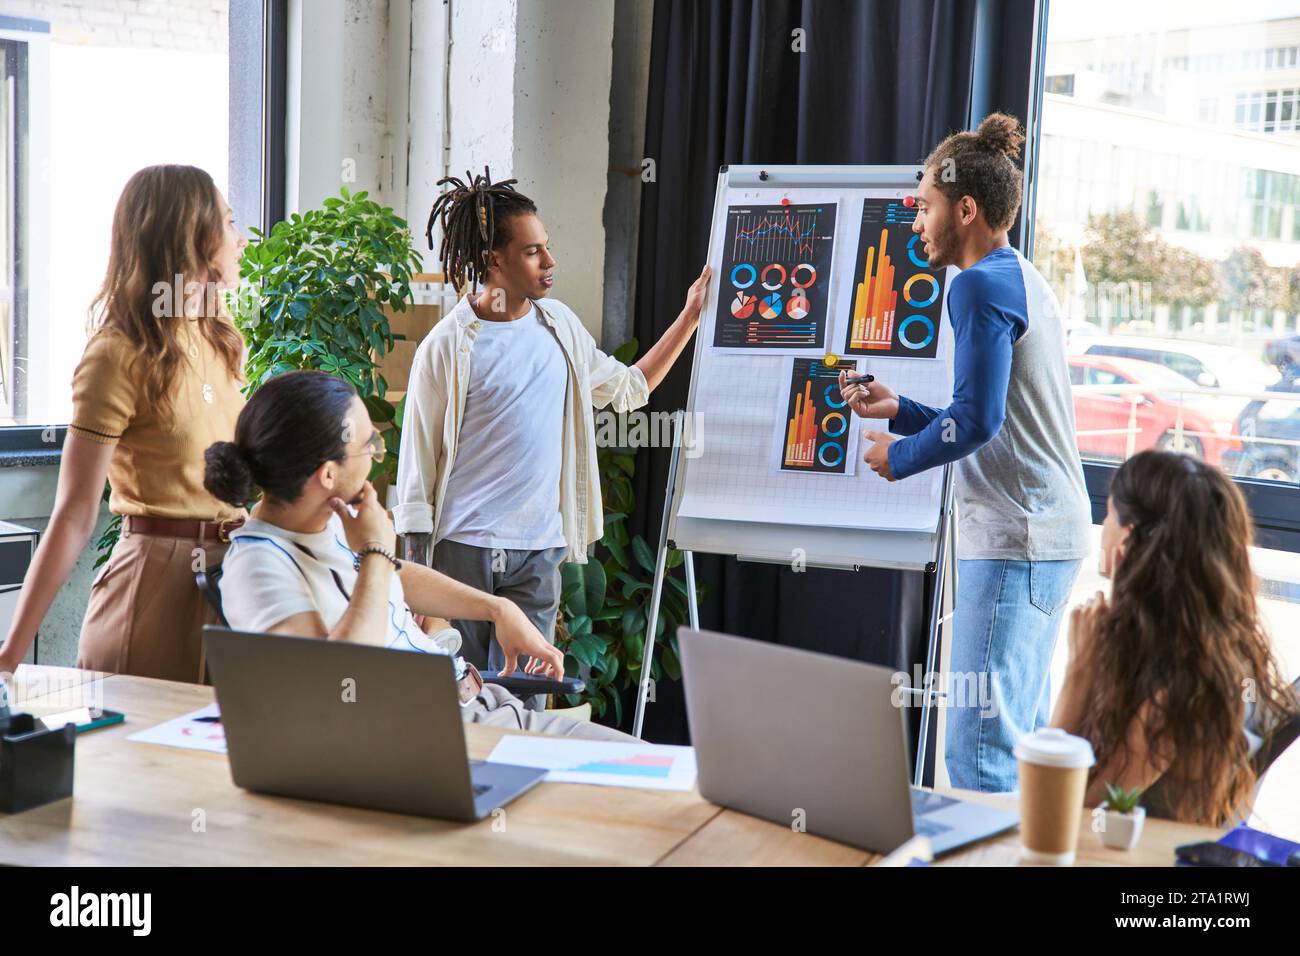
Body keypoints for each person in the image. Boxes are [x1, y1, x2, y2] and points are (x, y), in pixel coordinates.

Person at [840, 114, 1091, 792]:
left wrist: (900, 457)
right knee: (1015, 739)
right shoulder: (1017, 275)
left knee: (980, 753)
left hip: (1016, 540)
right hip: (1045, 534)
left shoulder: (976, 285)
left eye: (924, 206)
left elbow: (976, 422)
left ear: (966, 208)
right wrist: (902, 410)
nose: (915, 220)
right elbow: (991, 417)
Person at [395, 169, 708, 707]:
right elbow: (415, 475)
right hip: (462, 552)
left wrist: (691, 315)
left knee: (528, 706)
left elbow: (630, 388)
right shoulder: (447, 347)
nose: (550, 262)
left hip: (539, 549)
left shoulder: (559, 327)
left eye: (548, 248)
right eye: (534, 251)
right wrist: (418, 577)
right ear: (495, 260)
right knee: (458, 705)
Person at [205, 370, 637, 742]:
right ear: (328, 474)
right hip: (430, 735)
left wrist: (497, 608)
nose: (377, 450)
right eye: (368, 442)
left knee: (653, 767)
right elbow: (335, 679)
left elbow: (396, 578)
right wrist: (375, 548)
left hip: (478, 703)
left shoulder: (329, 520)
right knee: (647, 784)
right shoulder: (258, 566)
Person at [0, 165, 248, 682]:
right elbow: (72, 514)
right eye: (227, 222)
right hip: (153, 589)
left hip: (234, 583)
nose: (239, 238)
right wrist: (9, 656)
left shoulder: (218, 337)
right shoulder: (118, 353)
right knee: (143, 762)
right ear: (194, 236)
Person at [1052, 450, 1299, 825]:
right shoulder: (1215, 646)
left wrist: (1078, 674)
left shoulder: (1176, 680)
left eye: (1109, 514)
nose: (1102, 524)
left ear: (1127, 541)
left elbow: (1060, 815)